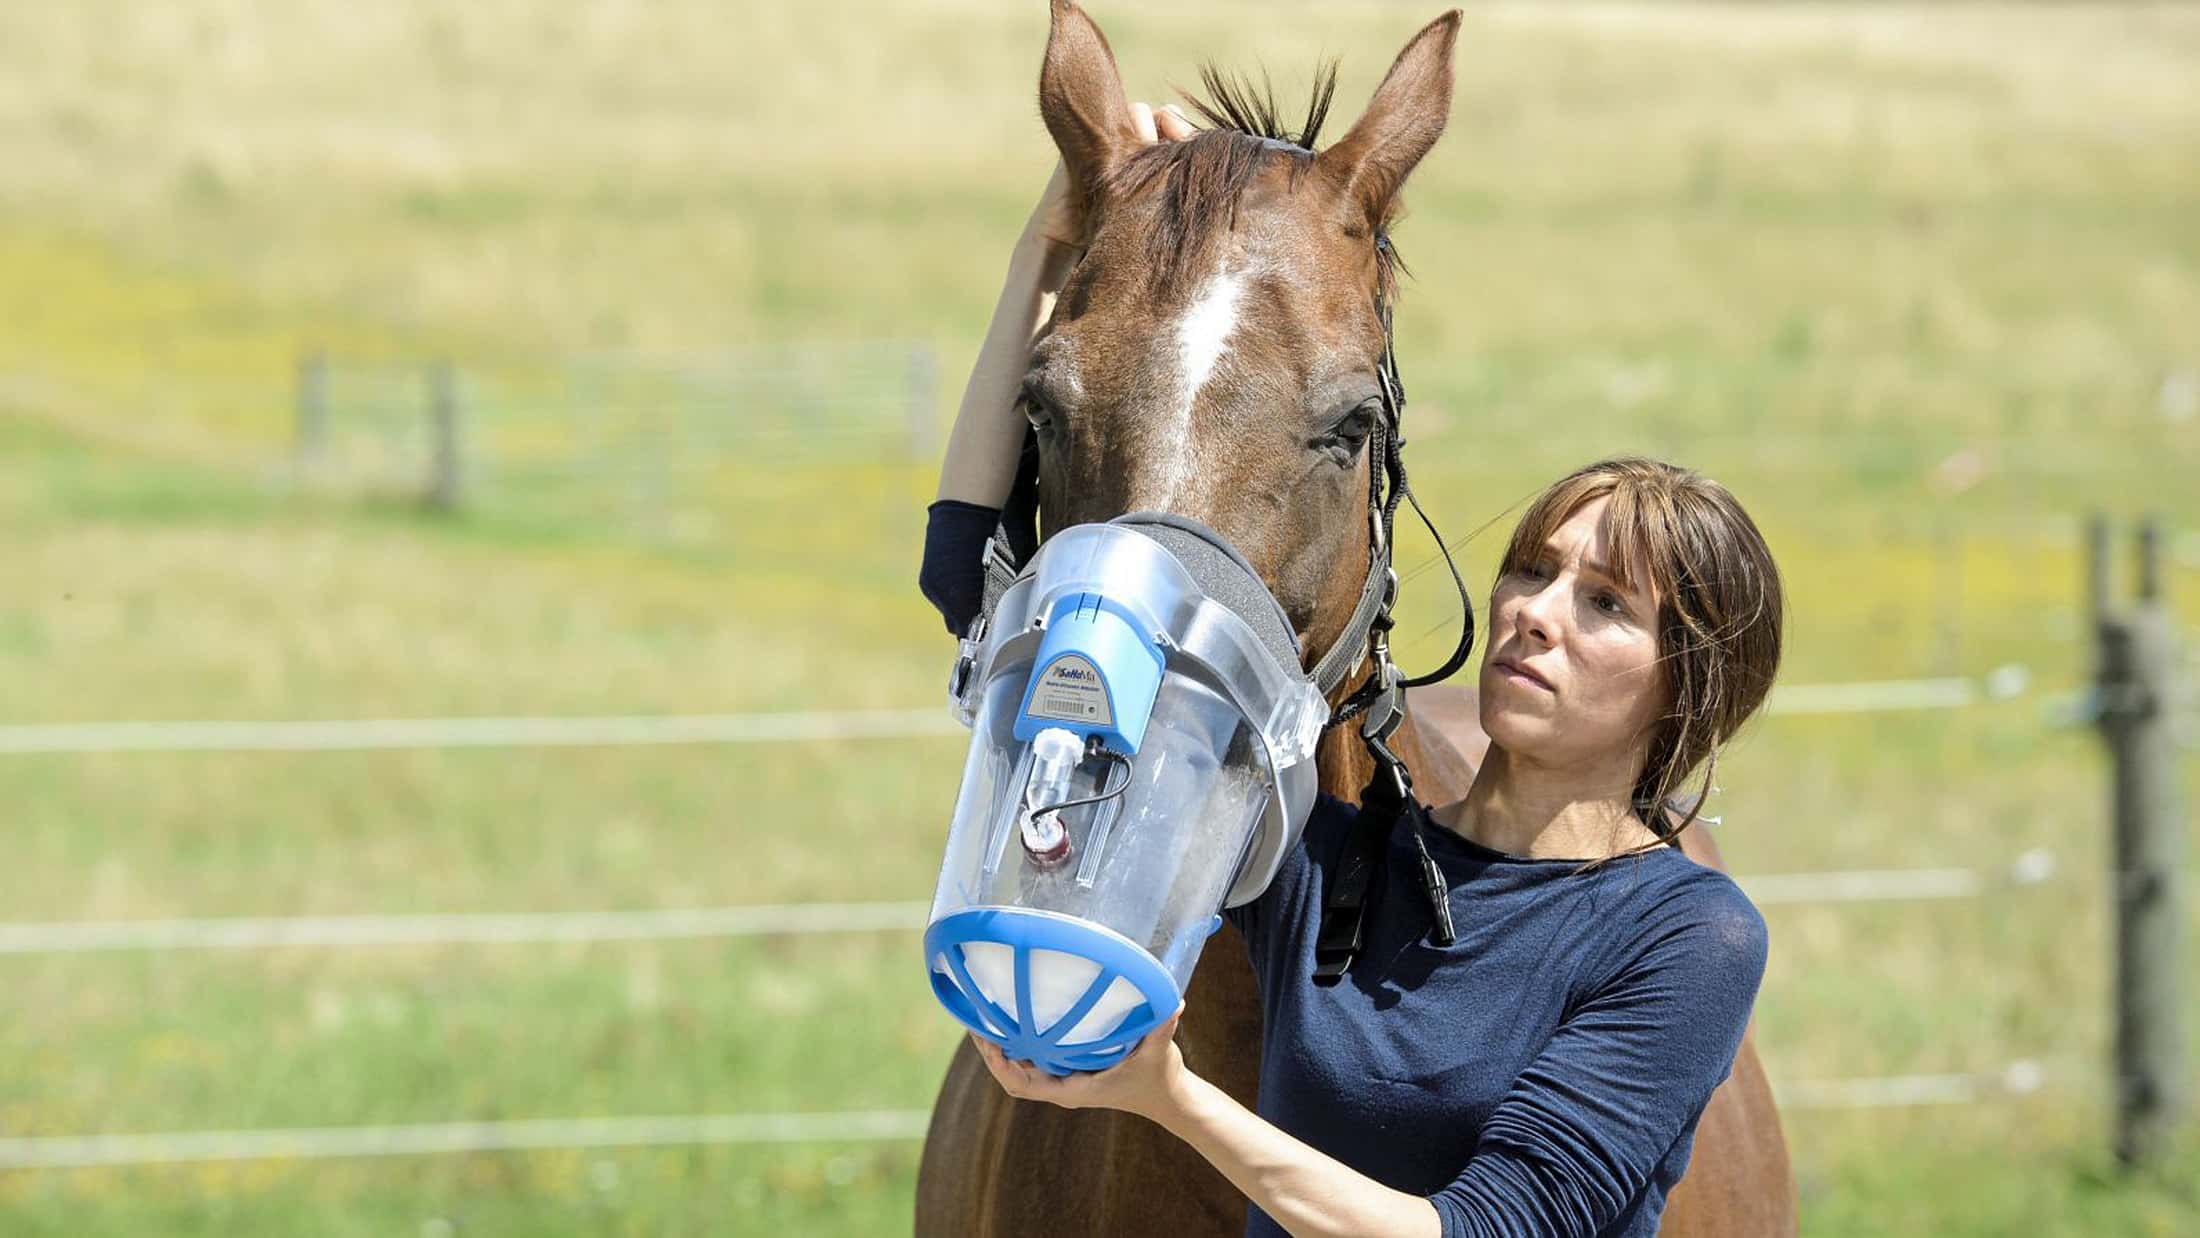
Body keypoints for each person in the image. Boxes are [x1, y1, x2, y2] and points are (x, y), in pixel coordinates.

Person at [921, 117, 1785, 1238]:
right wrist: (1045, 247)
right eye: (1530, 569)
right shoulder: (1332, 869)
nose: (1533, 613)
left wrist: (1168, 1097)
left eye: (1604, 602)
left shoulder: (1685, 934)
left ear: (1690, 677)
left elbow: (1483, 1230)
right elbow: (970, 575)